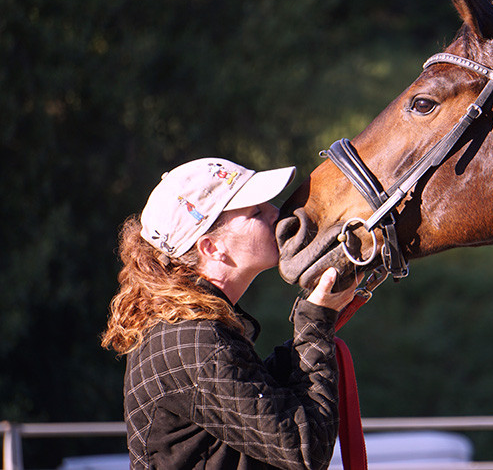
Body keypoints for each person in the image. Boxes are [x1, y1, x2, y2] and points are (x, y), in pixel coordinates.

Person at [101, 157, 358, 469]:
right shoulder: (196, 341)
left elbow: (260, 407)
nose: (276, 214)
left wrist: (322, 320)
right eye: (256, 212)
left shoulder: (187, 330)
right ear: (211, 247)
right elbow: (306, 450)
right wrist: (315, 323)